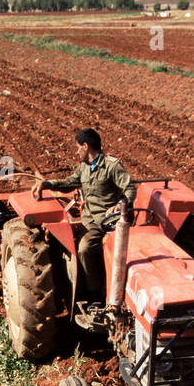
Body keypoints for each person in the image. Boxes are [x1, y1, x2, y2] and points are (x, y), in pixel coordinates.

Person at [32, 128, 135, 303]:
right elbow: (69, 183)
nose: (76, 151)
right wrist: (47, 184)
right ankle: (94, 293)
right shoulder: (84, 168)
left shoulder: (111, 166)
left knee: (122, 253)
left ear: (86, 146)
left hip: (111, 221)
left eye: (78, 147)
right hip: (91, 222)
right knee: (84, 249)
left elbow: (130, 189)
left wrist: (119, 205)